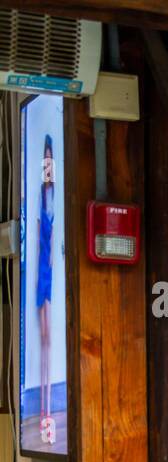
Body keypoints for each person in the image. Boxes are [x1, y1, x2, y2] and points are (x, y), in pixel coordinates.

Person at [36, 135, 55, 425]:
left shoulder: (52, 198)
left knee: (47, 338)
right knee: (43, 337)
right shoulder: (43, 198)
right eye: (46, 160)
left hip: (48, 270)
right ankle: (43, 403)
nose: (49, 165)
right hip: (43, 269)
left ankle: (47, 402)